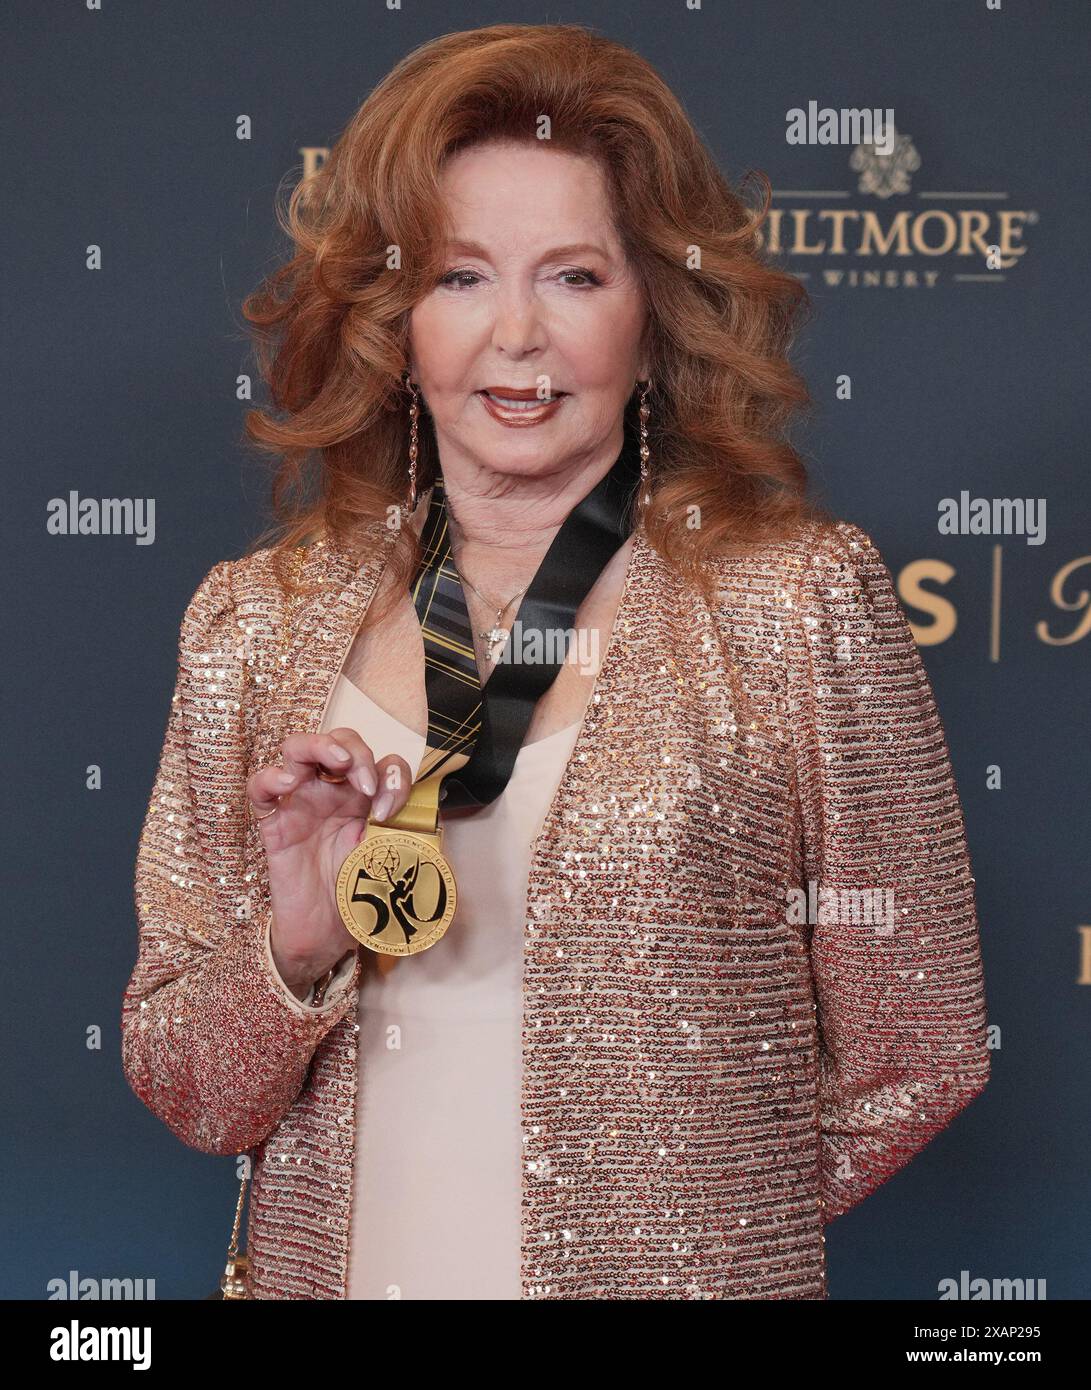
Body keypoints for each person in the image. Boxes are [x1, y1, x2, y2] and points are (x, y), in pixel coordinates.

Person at [122, 22, 990, 1300]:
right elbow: (191, 1090)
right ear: (392, 314)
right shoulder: (251, 623)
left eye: (574, 277)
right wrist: (294, 949)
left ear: (654, 308)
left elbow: (915, 1049)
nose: (515, 335)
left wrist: (669, 1230)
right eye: (461, 277)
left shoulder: (799, 604)